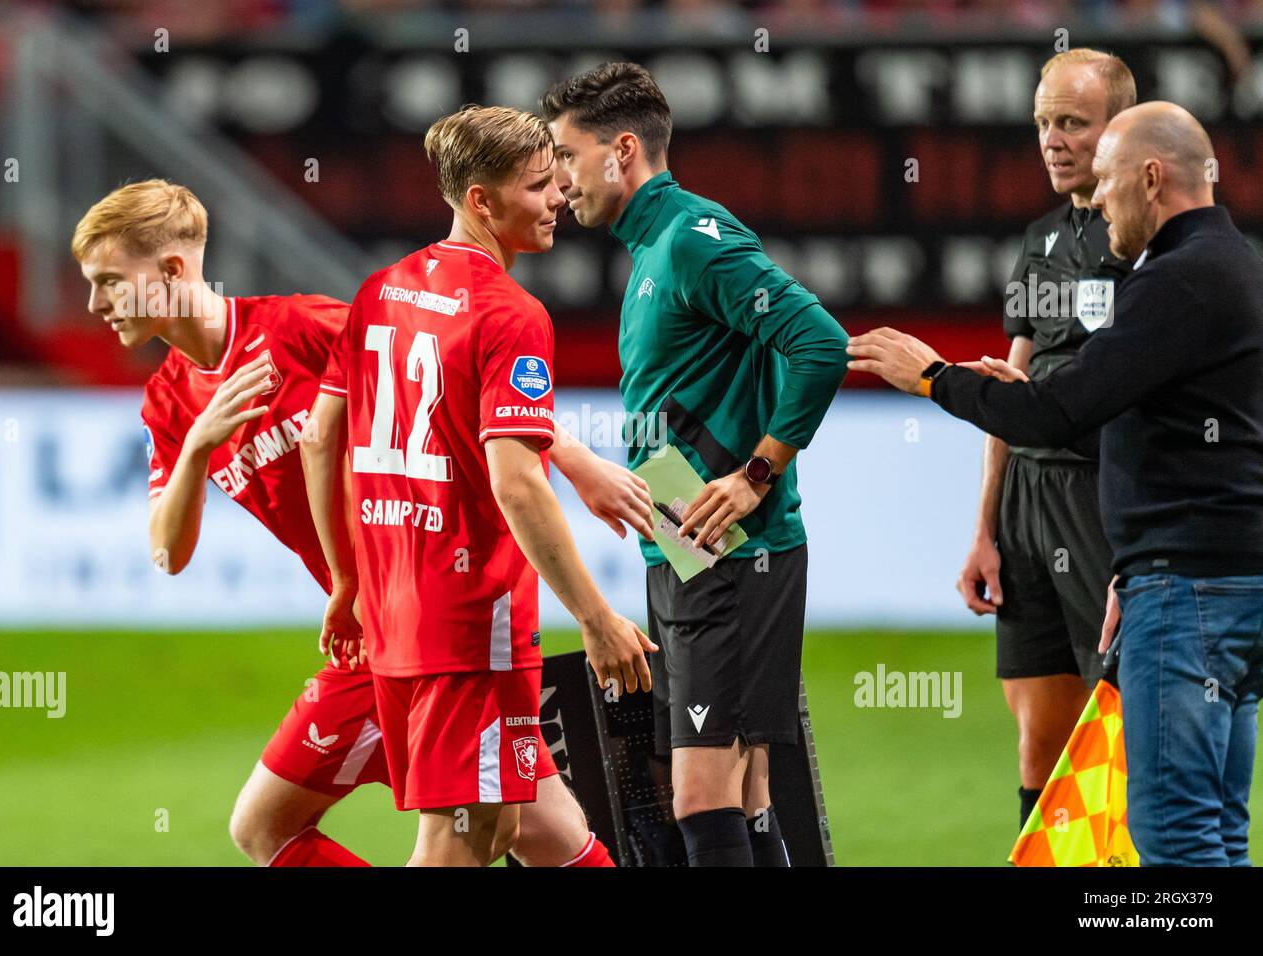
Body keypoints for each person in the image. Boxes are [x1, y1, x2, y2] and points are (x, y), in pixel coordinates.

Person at [73, 178, 642, 867]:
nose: (96, 303)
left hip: (426, 615)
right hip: (373, 633)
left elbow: (446, 362)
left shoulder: (297, 328)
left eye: (108, 281)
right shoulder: (167, 402)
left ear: (168, 270)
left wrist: (575, 459)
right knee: (539, 835)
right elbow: (168, 553)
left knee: (472, 835)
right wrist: (196, 448)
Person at [847, 102, 1263, 866]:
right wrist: (1138, 564)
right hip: (1214, 579)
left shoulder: (1179, 281)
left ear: (1150, 177)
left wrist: (934, 378)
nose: (1097, 199)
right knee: (1216, 831)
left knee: (1173, 836)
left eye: (1106, 180)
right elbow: (1130, 424)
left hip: (1188, 597)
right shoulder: (1235, 265)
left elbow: (1058, 408)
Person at [304, 105, 656, 866]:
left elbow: (319, 435)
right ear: (480, 202)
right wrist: (595, 618)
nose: (559, 195)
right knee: (458, 843)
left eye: (556, 178)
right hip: (472, 627)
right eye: (537, 186)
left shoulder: (380, 291)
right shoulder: (511, 313)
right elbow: (517, 486)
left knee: (509, 828)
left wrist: (345, 577)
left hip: (400, 613)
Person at [541, 63, 849, 866]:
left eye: (567, 156)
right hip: (690, 545)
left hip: (731, 554)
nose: (558, 180)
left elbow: (818, 341)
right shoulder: (650, 248)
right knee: (743, 797)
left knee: (702, 797)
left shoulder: (690, 239)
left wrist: (757, 476)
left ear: (625, 150)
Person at [954, 49, 1135, 834]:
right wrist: (985, 526)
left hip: (1101, 498)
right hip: (1026, 501)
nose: (1052, 141)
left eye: (1072, 123)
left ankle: (1129, 898)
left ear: (1119, 130)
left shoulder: (1151, 241)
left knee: (1117, 733)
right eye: (1042, 124)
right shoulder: (1039, 241)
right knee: (1040, 743)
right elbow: (1012, 379)